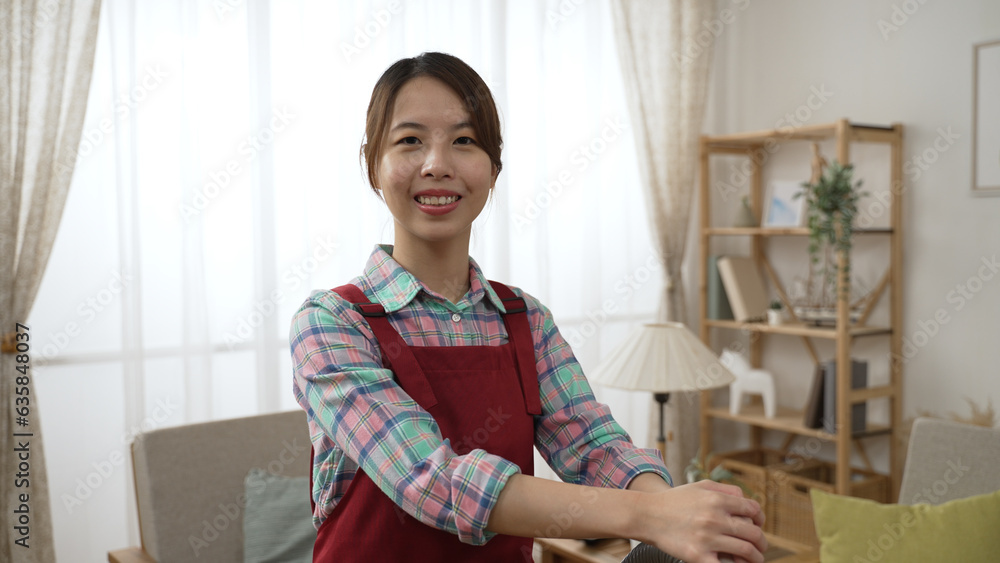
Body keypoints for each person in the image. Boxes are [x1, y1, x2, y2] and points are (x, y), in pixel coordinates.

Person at [290, 52, 766, 563]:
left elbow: (592, 443)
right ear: (372, 167)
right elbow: (429, 481)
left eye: (464, 141)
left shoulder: (524, 319)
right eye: (409, 141)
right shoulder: (331, 323)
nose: (437, 165)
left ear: (493, 169)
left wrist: (673, 511)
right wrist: (649, 517)